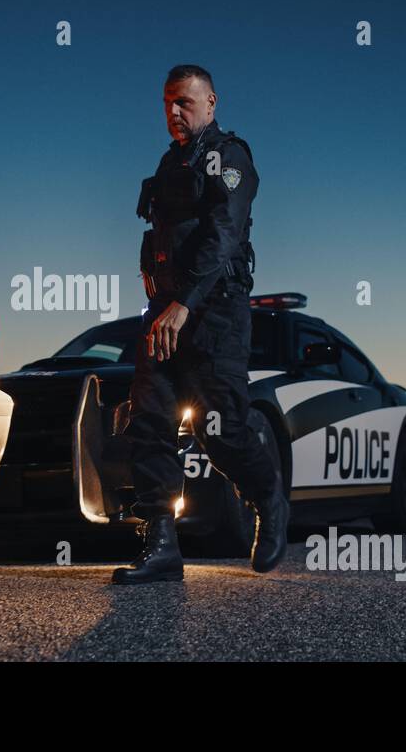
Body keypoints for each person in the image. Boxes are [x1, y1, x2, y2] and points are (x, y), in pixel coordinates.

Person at [111, 64, 289, 585]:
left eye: (184, 103)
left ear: (211, 103)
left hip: (213, 313)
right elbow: (164, 234)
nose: (173, 112)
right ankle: (163, 546)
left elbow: (224, 234)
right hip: (166, 313)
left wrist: (185, 302)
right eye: (167, 102)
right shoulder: (170, 163)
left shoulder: (229, 156)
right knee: (149, 422)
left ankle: (269, 499)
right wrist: (153, 280)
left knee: (222, 429)